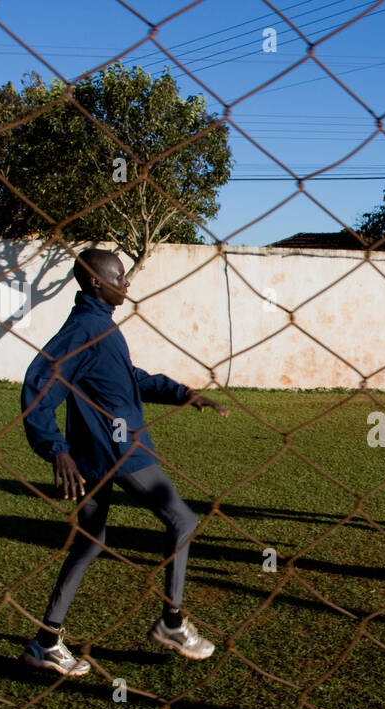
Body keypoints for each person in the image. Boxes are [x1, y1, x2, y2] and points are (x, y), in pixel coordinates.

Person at [19, 248, 229, 675]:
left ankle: (46, 642)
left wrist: (182, 393)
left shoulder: (100, 327)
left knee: (90, 541)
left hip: (96, 454)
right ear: (96, 281)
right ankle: (172, 622)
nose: (126, 282)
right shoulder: (83, 330)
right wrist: (55, 449)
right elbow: (38, 385)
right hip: (117, 450)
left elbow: (126, 378)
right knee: (182, 521)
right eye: (119, 275)